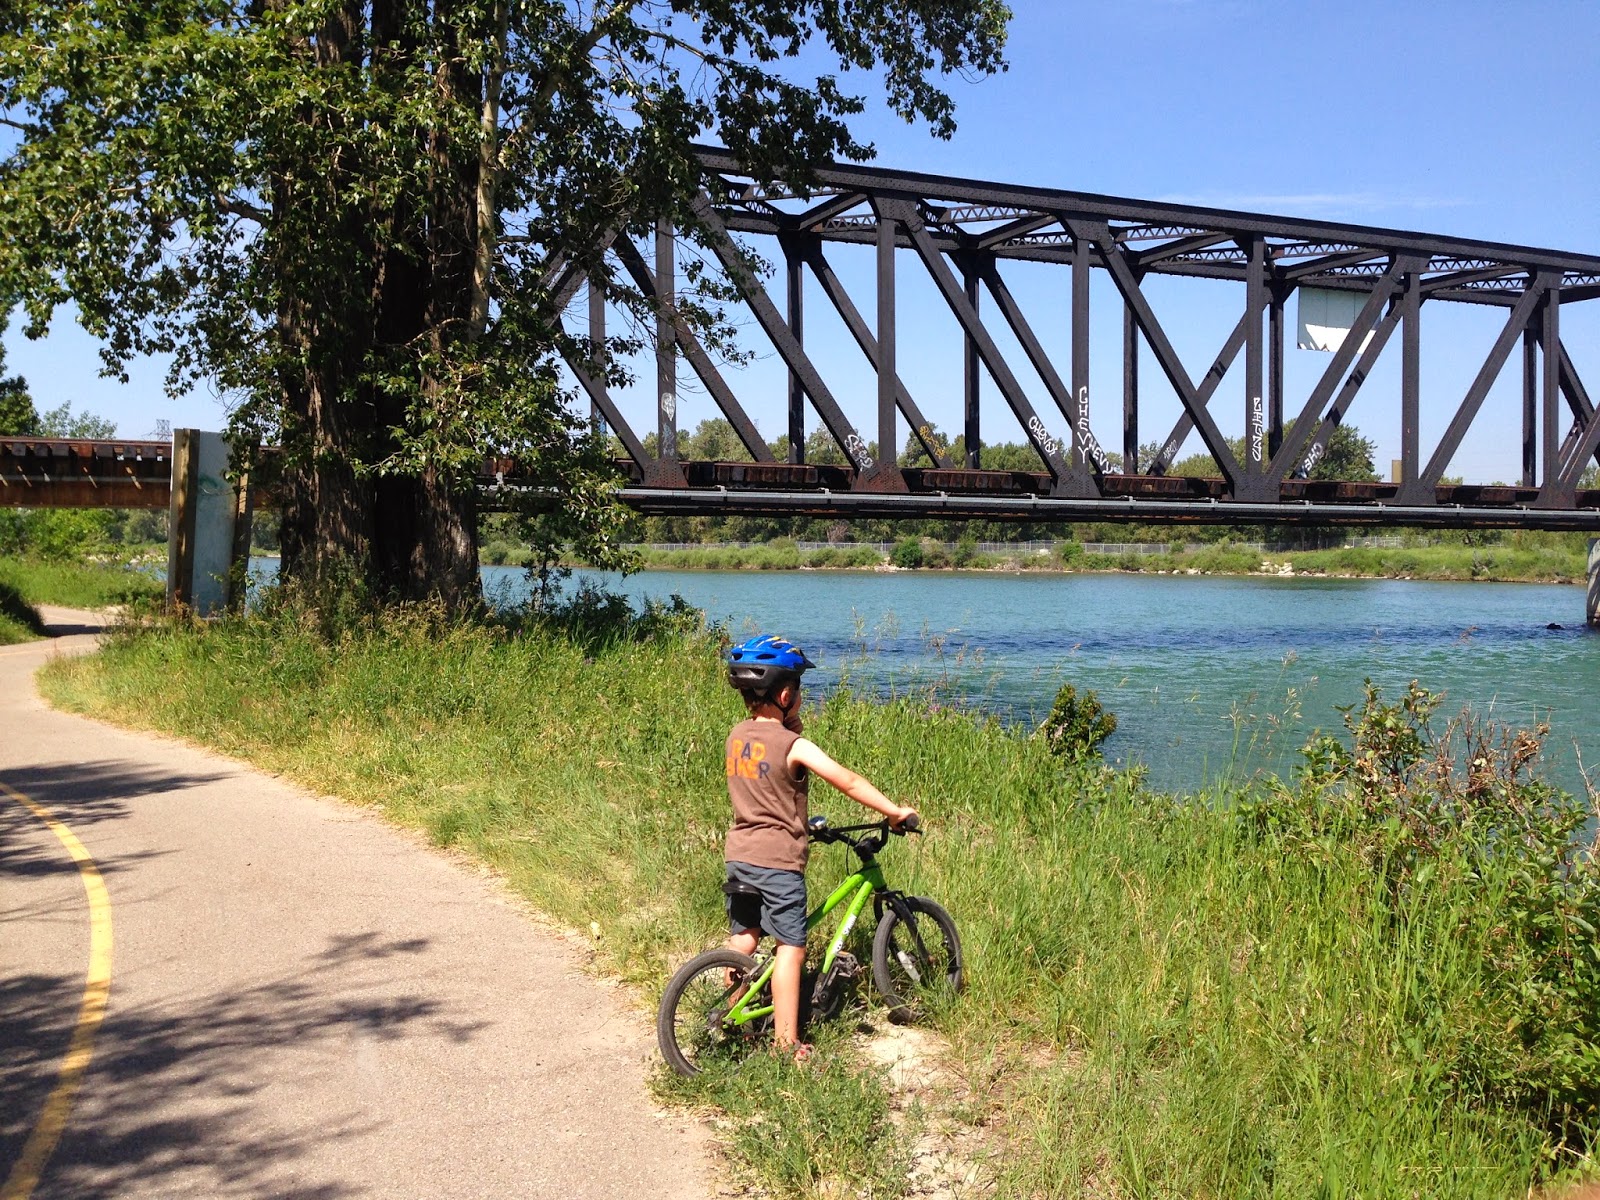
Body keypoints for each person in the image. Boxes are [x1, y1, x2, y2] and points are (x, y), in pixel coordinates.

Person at [722, 634, 917, 1062]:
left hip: (739, 854)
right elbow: (846, 780)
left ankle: (734, 1014)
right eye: (799, 690)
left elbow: (765, 788)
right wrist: (892, 811)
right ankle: (787, 1044)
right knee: (790, 948)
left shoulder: (736, 736)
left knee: (744, 939)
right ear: (787, 694)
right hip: (778, 862)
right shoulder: (796, 745)